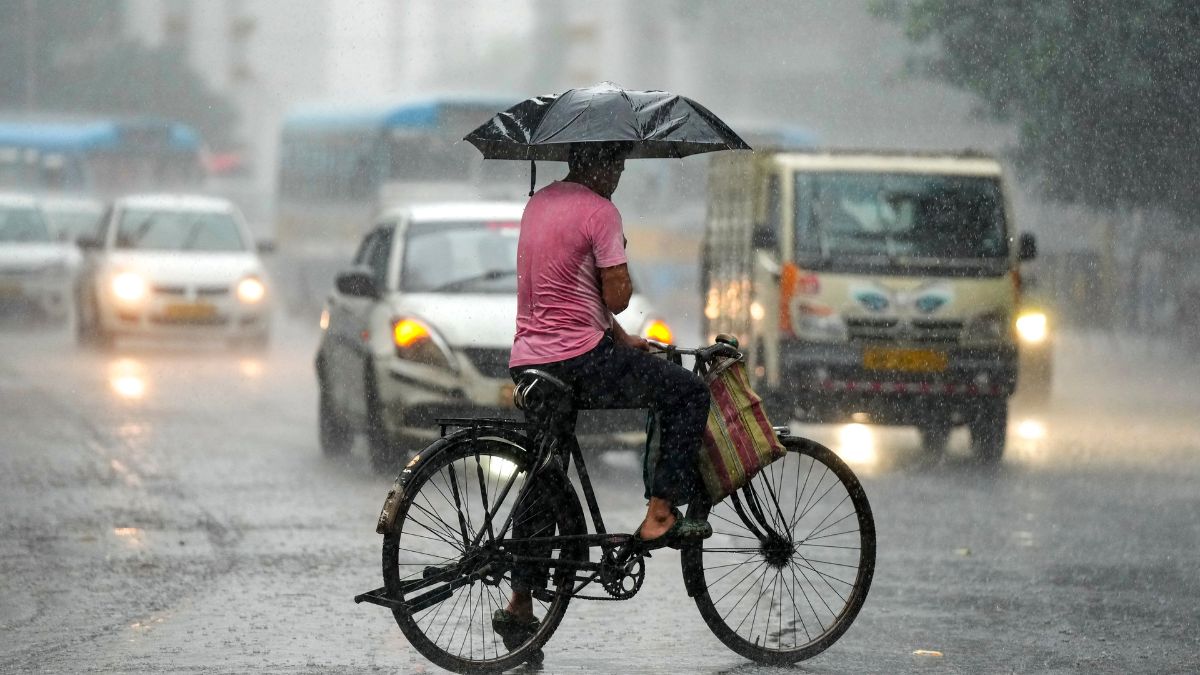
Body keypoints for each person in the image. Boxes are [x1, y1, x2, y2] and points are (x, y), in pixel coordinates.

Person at [492, 142, 712, 652]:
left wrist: (619, 336)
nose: (618, 176)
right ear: (598, 163)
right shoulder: (600, 212)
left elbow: (565, 291)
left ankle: (520, 603)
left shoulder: (539, 204)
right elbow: (616, 295)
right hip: (579, 361)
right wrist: (619, 257)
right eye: (616, 165)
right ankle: (662, 510)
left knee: (545, 473)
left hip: (532, 360)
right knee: (687, 393)